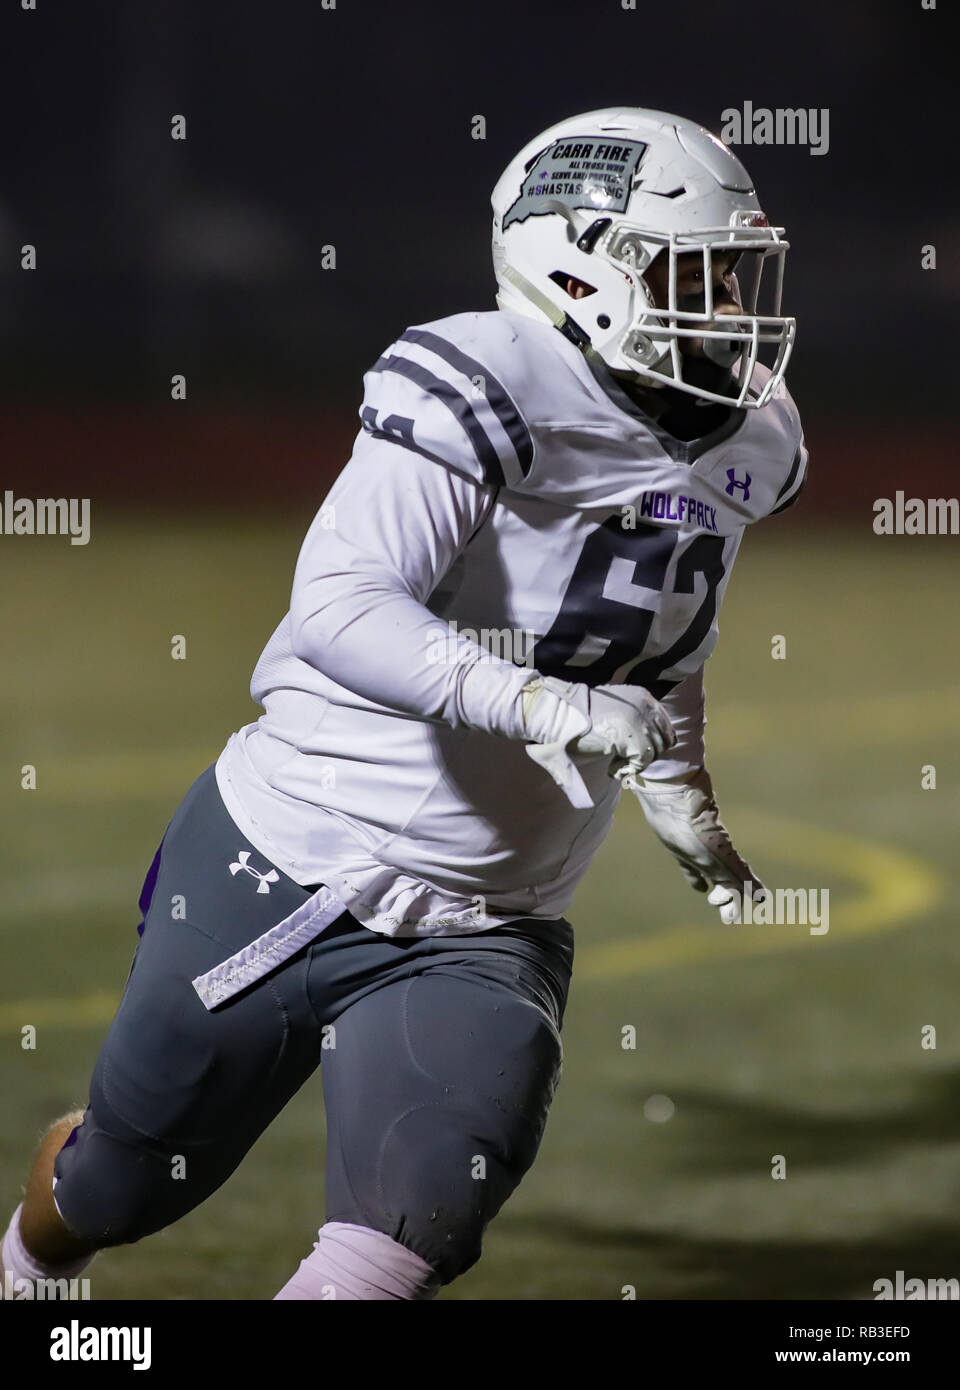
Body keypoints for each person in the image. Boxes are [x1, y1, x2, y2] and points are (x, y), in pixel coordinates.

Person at [2, 106, 806, 1302]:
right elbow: (341, 607)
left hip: (493, 917)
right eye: (699, 274)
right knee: (118, 1187)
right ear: (581, 265)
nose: (733, 311)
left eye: (738, 277)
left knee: (413, 1228)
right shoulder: (493, 377)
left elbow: (661, 649)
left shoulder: (751, 438)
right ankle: (28, 1263)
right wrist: (541, 704)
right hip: (292, 855)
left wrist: (680, 783)